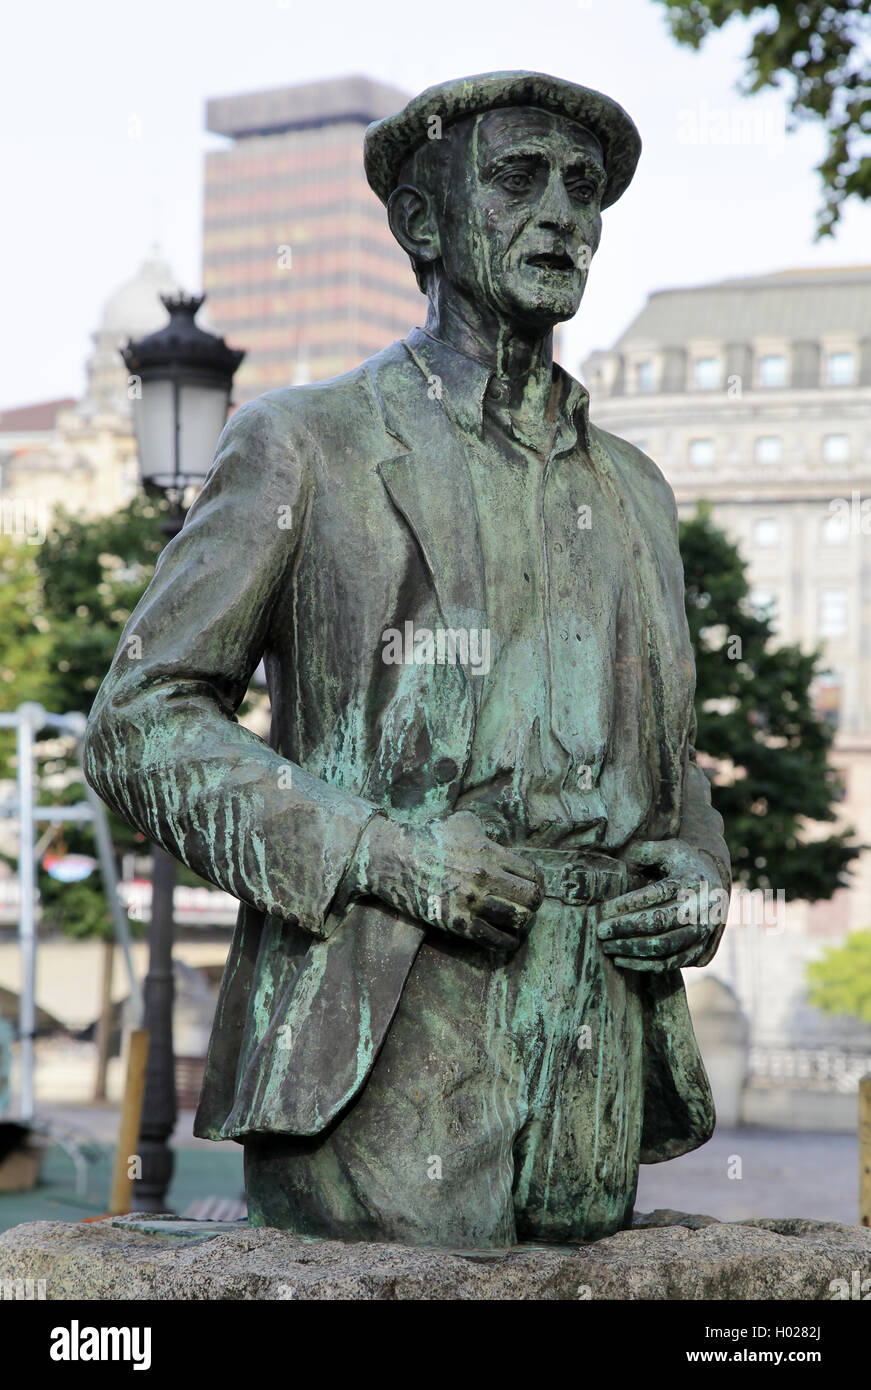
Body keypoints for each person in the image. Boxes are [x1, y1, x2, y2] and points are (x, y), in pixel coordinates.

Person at [84, 71, 731, 1247]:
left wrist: (695, 864)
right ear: (421, 225)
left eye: (584, 191)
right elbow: (139, 718)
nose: (562, 217)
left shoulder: (635, 492)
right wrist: (387, 854)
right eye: (518, 178)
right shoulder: (305, 446)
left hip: (595, 1040)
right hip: (375, 1033)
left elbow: (669, 750)